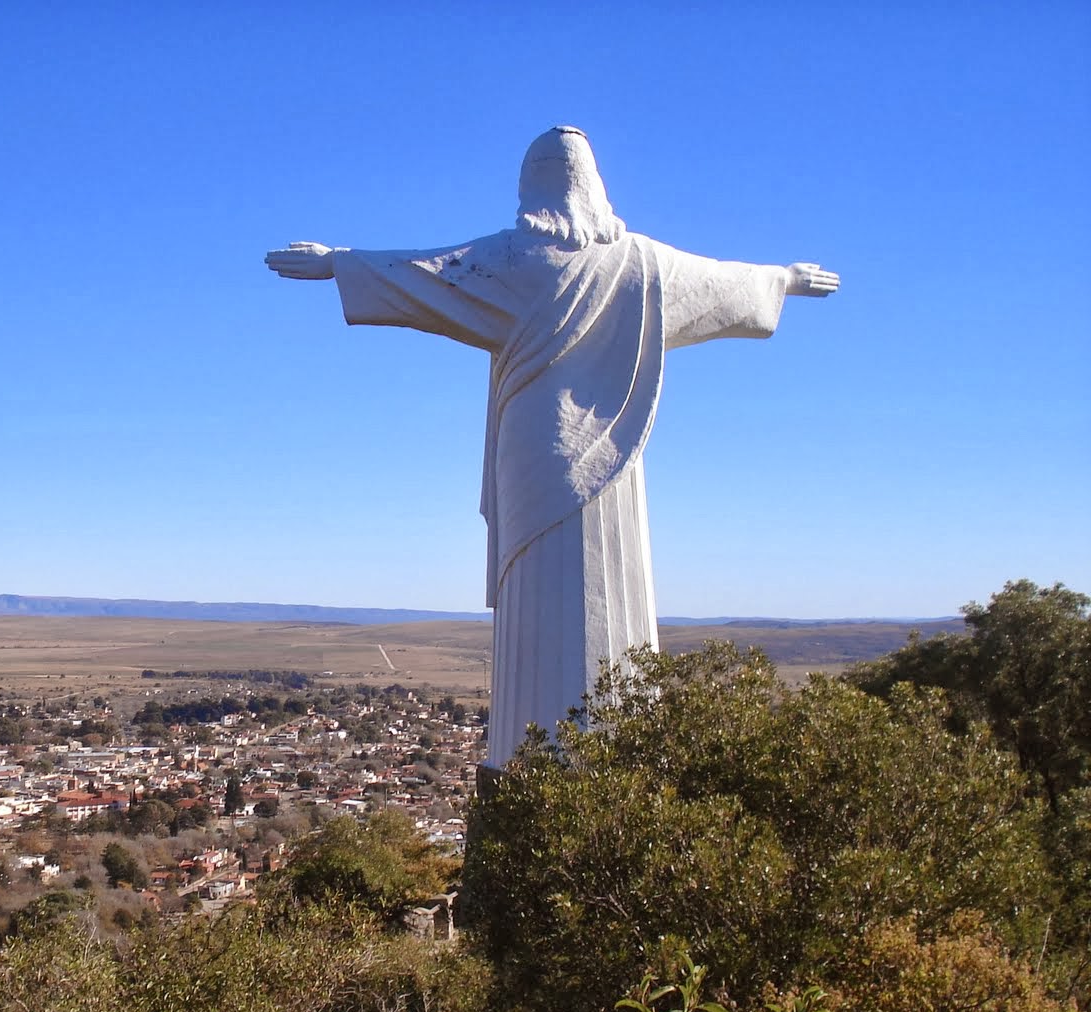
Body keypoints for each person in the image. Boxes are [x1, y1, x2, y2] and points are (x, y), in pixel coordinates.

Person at [266, 127, 838, 766]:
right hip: (613, 452)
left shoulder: (513, 260)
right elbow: (724, 284)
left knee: (548, 586)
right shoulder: (645, 265)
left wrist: (339, 262)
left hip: (535, 447)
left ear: (530, 186)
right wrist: (781, 279)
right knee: (578, 589)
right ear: (595, 186)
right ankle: (599, 758)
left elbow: (425, 274)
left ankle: (538, 761)